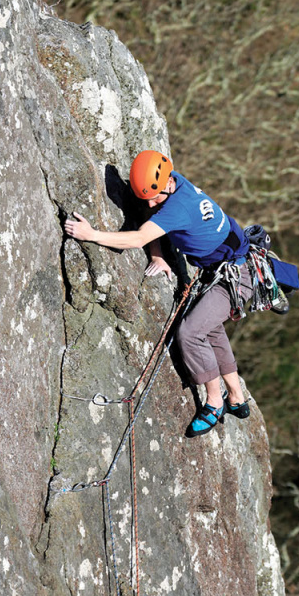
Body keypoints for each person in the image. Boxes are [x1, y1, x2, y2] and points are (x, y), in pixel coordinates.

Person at [64, 150, 256, 437]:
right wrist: (158, 255)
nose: (152, 203)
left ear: (166, 186)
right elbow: (152, 218)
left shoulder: (181, 205)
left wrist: (91, 235)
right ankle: (236, 396)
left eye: (155, 197)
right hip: (224, 268)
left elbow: (141, 235)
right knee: (211, 328)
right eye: (147, 198)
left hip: (236, 276)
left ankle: (215, 402)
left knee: (190, 333)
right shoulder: (172, 181)